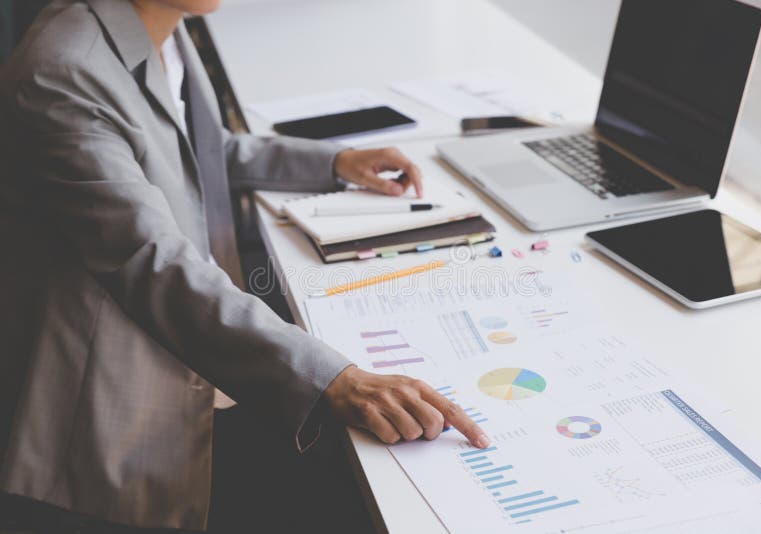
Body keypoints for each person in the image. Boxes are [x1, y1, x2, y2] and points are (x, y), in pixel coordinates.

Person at [0, 0, 490, 531]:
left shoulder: (162, 23)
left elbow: (189, 145)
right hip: (111, 409)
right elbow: (151, 260)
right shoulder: (63, 70)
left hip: (201, 338)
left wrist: (328, 162)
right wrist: (335, 379)